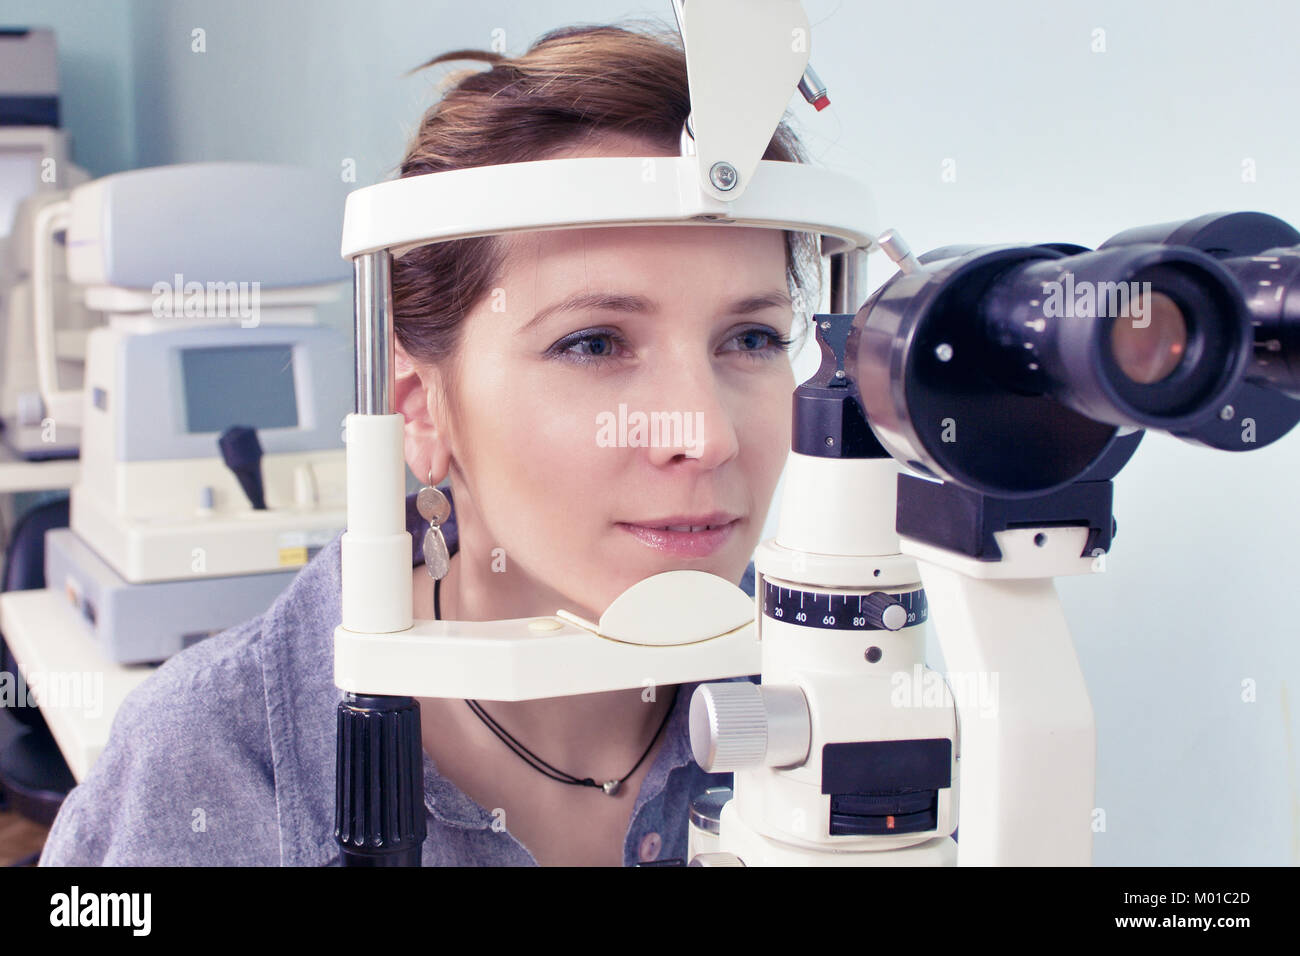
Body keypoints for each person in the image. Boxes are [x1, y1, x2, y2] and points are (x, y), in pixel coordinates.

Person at [38, 20, 820, 867]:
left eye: (752, 339)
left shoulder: (831, 686)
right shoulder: (207, 763)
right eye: (593, 343)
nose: (703, 437)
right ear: (417, 407)